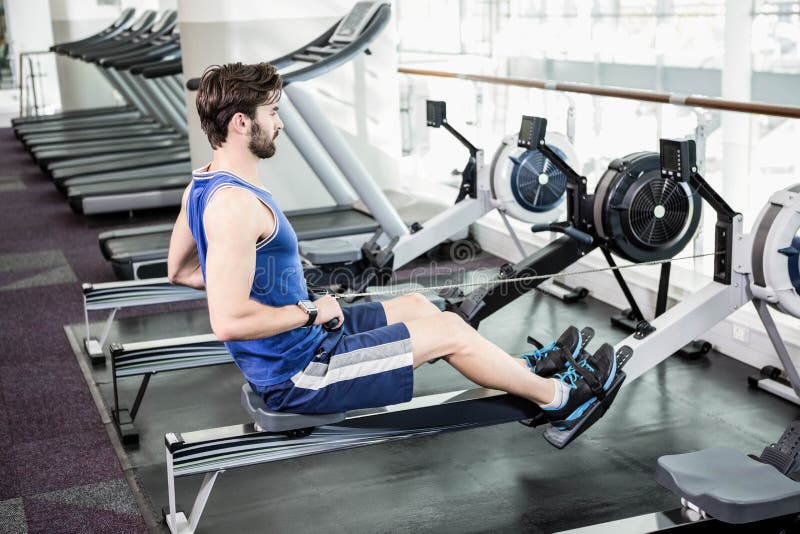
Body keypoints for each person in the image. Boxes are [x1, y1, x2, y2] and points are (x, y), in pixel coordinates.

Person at [167, 62, 617, 425]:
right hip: (300, 373)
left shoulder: (202, 186)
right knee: (449, 332)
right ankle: (560, 399)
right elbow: (228, 322)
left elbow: (180, 271)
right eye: (272, 113)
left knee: (421, 305)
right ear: (242, 122)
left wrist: (262, 292)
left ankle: (523, 370)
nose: (279, 123)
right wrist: (306, 311)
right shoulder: (235, 204)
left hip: (302, 338)